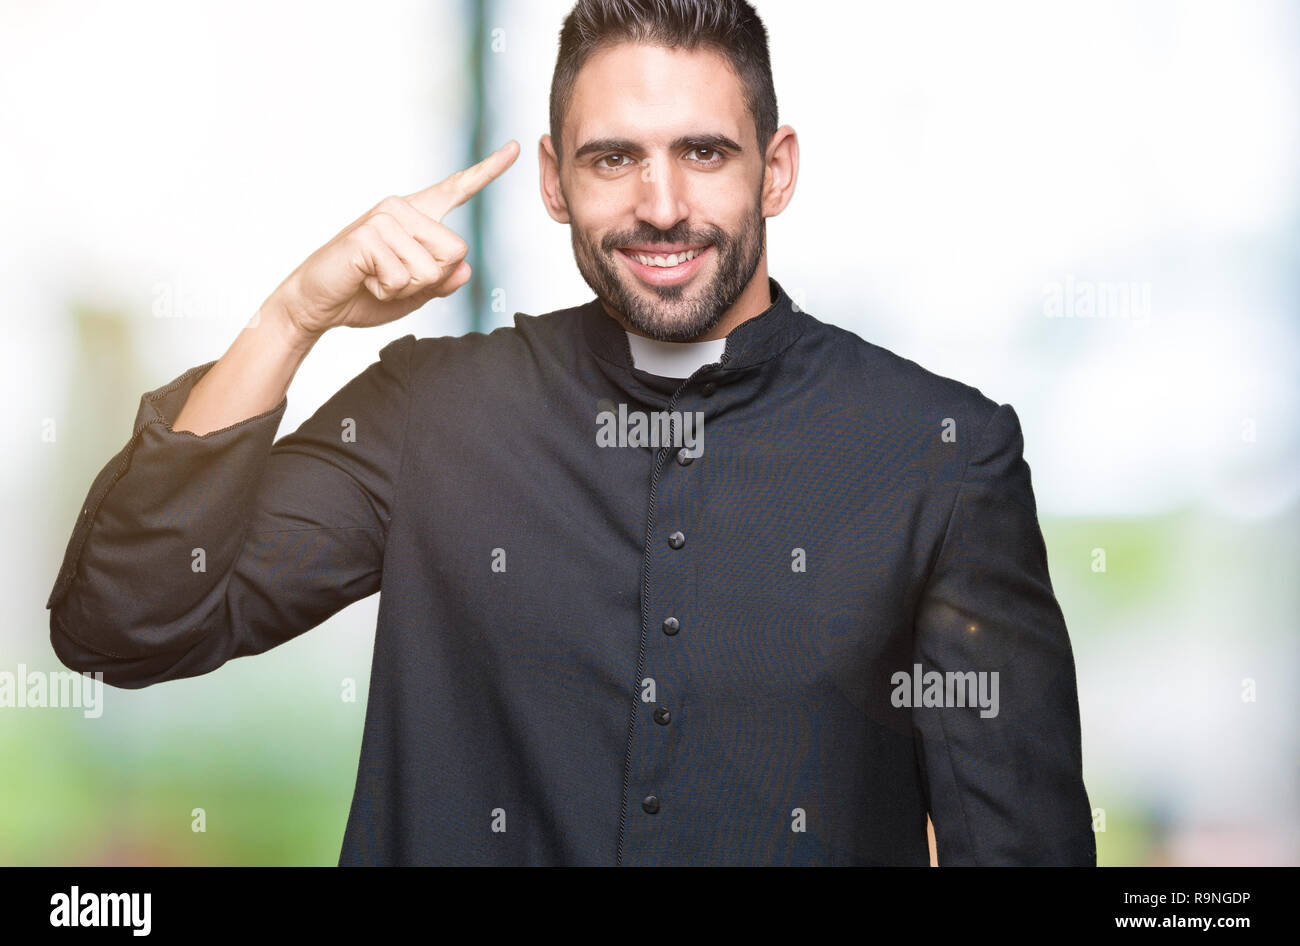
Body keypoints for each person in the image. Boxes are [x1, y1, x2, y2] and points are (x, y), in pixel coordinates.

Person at [46, 0, 1096, 866]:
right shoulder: (432, 412)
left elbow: (1023, 848)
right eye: (613, 160)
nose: (662, 203)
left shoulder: (941, 450)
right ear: (554, 180)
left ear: (774, 169)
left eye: (703, 152)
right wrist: (292, 316)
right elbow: (126, 622)